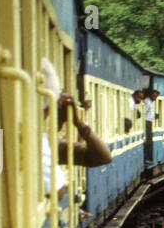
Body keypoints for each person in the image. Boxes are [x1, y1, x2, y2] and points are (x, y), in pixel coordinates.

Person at [40, 56, 111, 195]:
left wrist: (78, 123)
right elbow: (57, 193)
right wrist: (77, 122)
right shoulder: (42, 142)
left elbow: (103, 157)